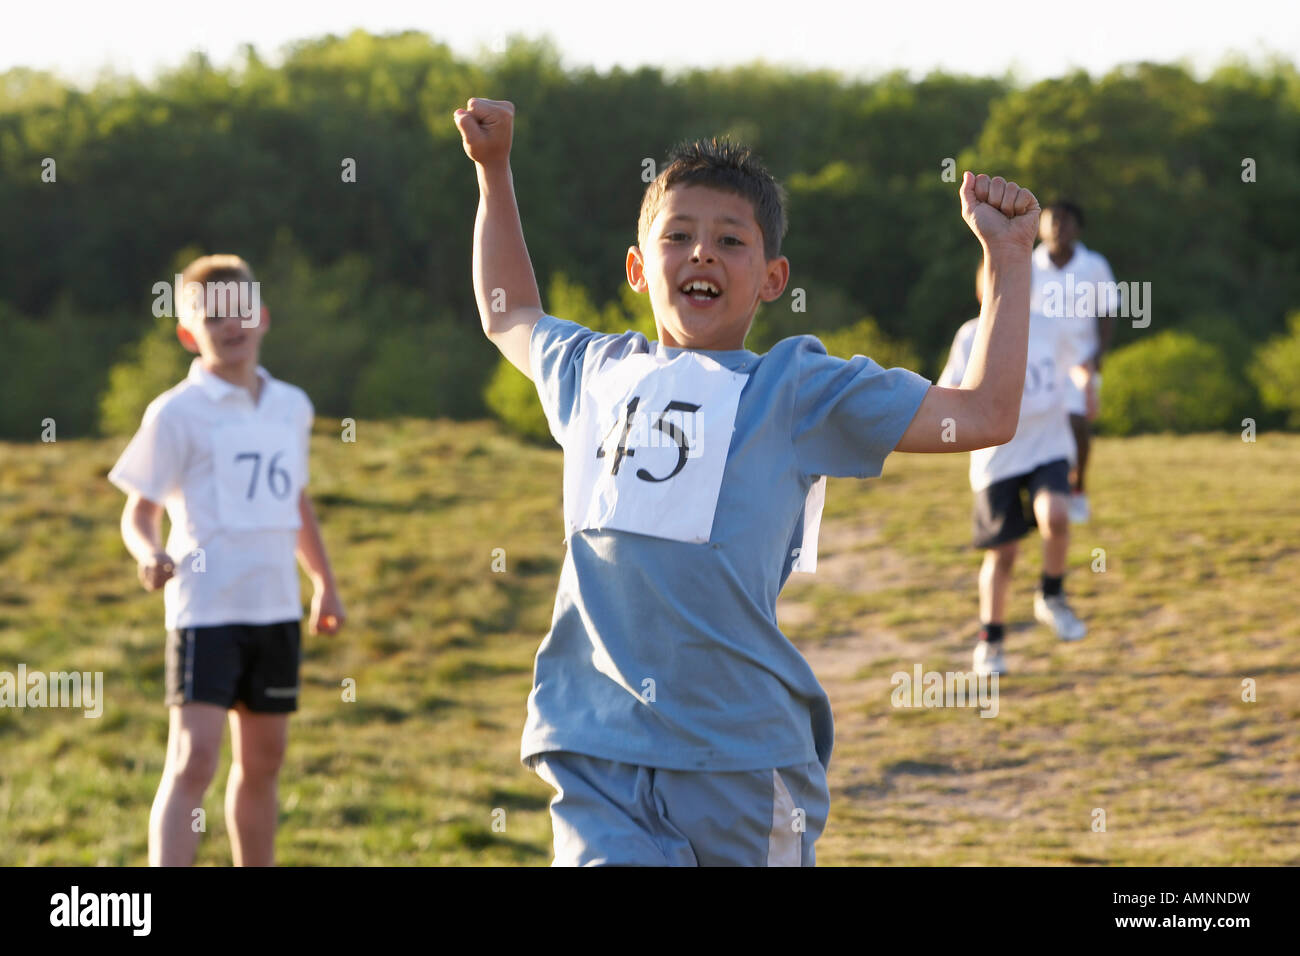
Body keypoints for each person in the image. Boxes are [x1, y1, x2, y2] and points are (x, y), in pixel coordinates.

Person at [455, 96, 1038, 866]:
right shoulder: (593, 372)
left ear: (771, 279)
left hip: (742, 761)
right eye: (679, 237)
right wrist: (494, 173)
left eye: (730, 241)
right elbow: (509, 313)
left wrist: (1009, 260)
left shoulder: (797, 391)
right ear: (637, 268)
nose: (702, 254)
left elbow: (987, 415)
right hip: (597, 746)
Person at [108, 254, 345, 866]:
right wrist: (150, 552)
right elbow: (139, 512)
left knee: (263, 762)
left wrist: (323, 582)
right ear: (190, 333)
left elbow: (294, 499)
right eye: (211, 316)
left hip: (274, 609)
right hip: (205, 610)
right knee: (193, 761)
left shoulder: (292, 405)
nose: (229, 324)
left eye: (239, 310)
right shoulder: (175, 412)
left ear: (262, 317)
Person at [940, 265, 1088, 677]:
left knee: (1056, 515)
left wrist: (1085, 386)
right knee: (1003, 554)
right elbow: (950, 389)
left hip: (1048, 445)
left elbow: (1075, 368)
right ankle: (992, 641)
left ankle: (1052, 596)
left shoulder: (1048, 328)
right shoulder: (972, 335)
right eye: (994, 283)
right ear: (980, 291)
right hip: (997, 456)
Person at [1030, 200, 1118, 523]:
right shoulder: (1028, 265)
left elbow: (1107, 311)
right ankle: (1040, 493)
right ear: (1039, 226)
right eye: (1051, 221)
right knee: (1039, 428)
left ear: (1077, 228)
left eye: (1065, 222)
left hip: (1080, 361)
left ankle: (1078, 487)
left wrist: (1098, 356)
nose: (1057, 228)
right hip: (1038, 365)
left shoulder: (1094, 265)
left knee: (1078, 425)